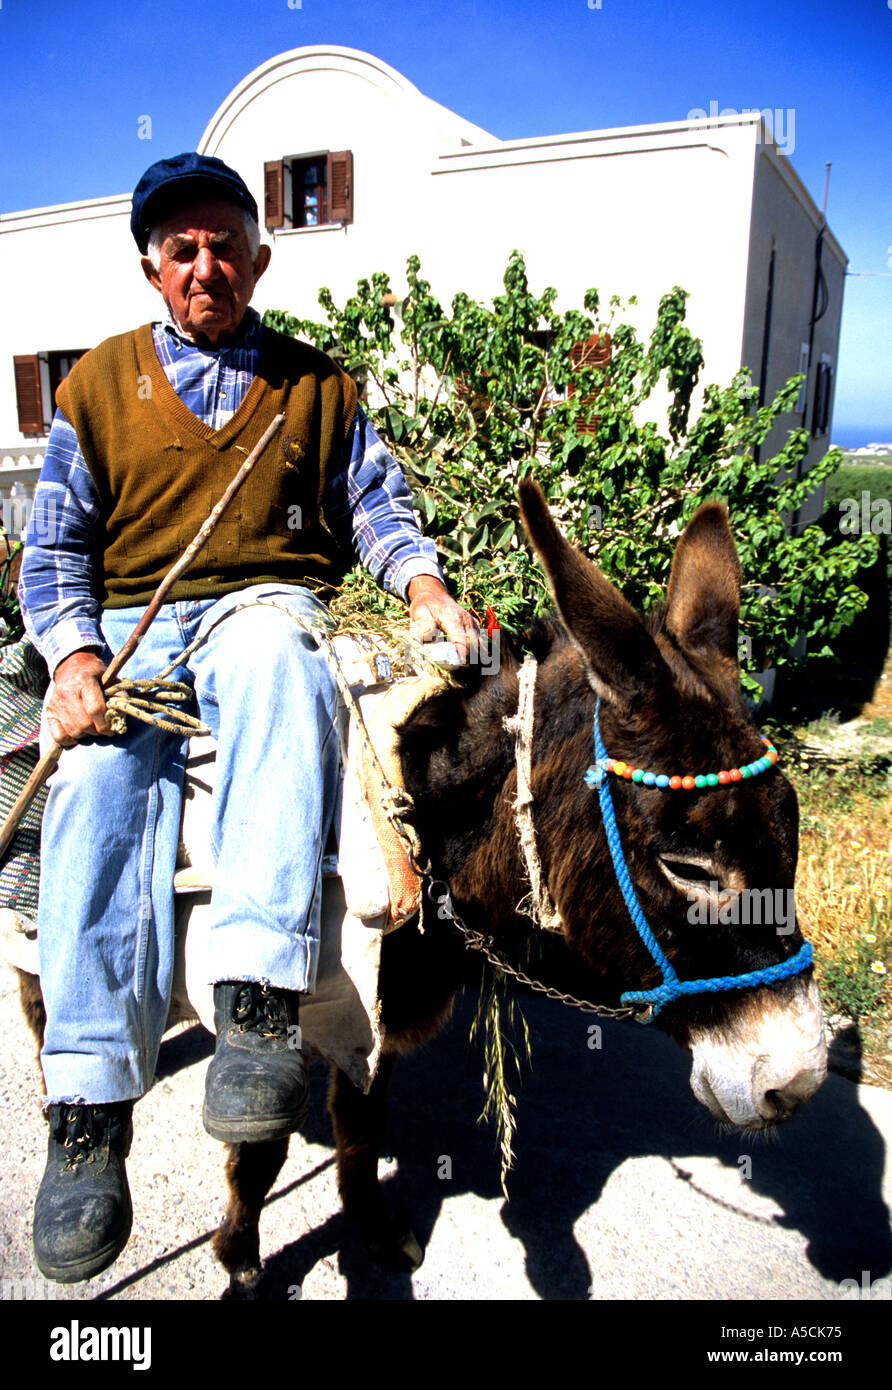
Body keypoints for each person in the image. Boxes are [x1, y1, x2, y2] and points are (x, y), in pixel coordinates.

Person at [19, 152, 476, 1284]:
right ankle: (87, 1112)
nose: (206, 265)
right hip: (135, 624)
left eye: (225, 244)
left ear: (259, 259)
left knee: (280, 655)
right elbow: (54, 550)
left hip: (265, 604)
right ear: (151, 269)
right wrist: (75, 658)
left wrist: (420, 584)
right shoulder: (95, 390)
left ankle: (263, 1005)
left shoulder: (319, 386)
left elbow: (374, 506)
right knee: (91, 783)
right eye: (183, 249)